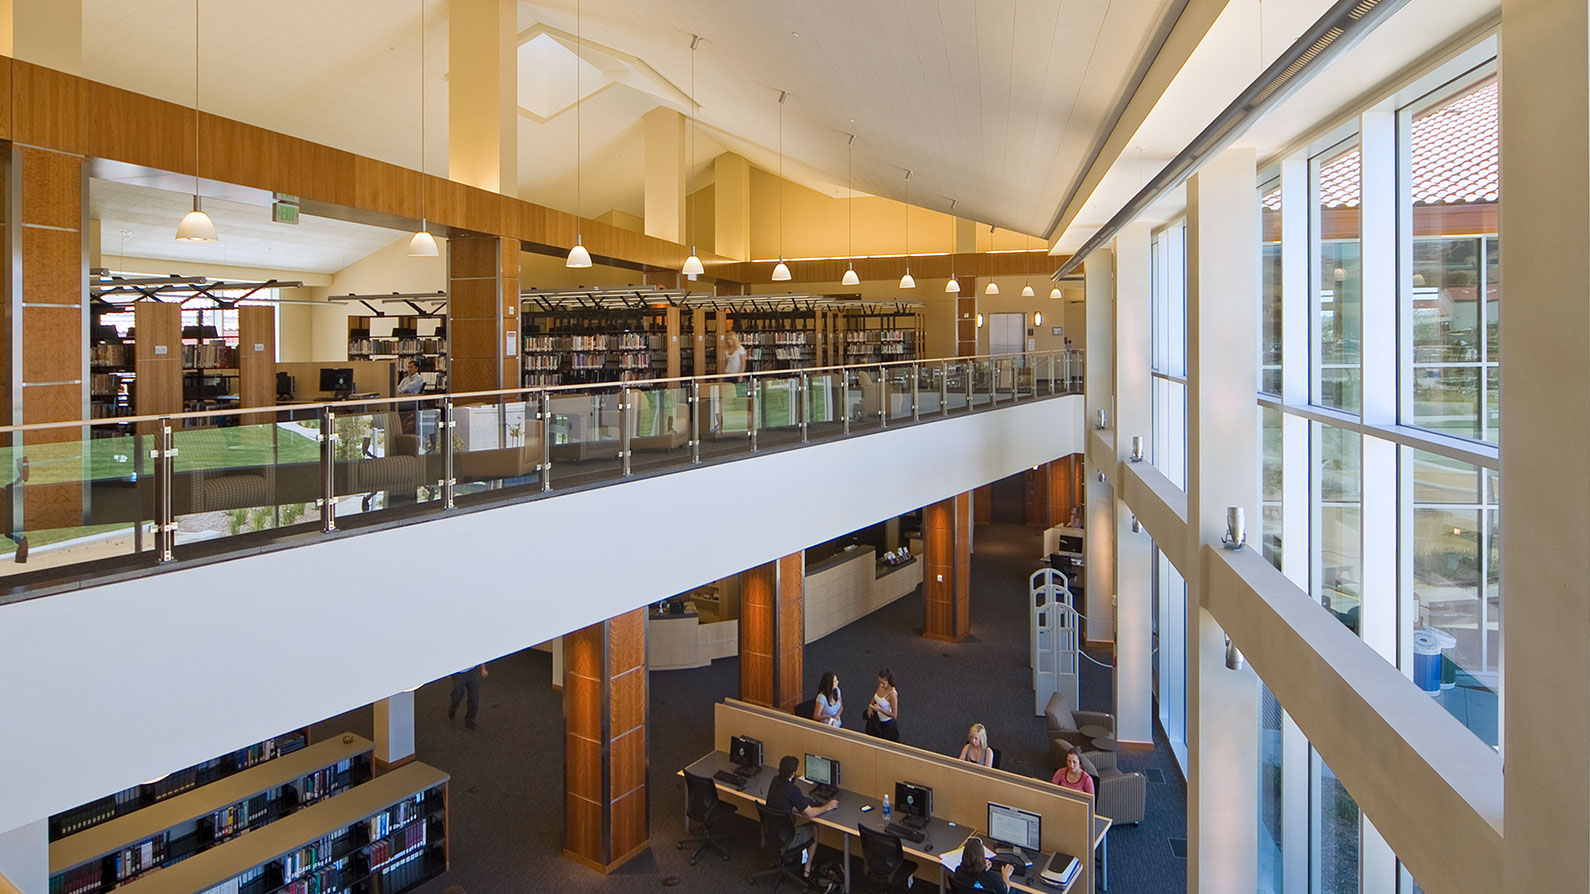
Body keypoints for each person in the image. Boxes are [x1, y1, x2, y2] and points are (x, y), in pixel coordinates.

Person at [765, 754, 838, 879]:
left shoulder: (774, 781)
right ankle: (807, 868)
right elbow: (810, 813)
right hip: (785, 839)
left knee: (798, 821)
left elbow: (781, 801)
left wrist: (796, 807)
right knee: (814, 827)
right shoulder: (793, 790)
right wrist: (828, 806)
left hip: (770, 834)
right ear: (793, 773)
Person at [863, 668, 900, 742]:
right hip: (877, 720)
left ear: (888, 681)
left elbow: (894, 715)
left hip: (886, 724)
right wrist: (870, 706)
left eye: (883, 683)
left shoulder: (892, 695)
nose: (880, 685)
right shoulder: (881, 687)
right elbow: (875, 696)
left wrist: (880, 709)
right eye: (879, 682)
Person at [448, 663, 488, 729]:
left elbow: (479, 655)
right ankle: (453, 706)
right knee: (456, 696)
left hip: (472, 672)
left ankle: (469, 719)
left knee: (474, 698)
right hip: (458, 673)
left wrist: (483, 669)